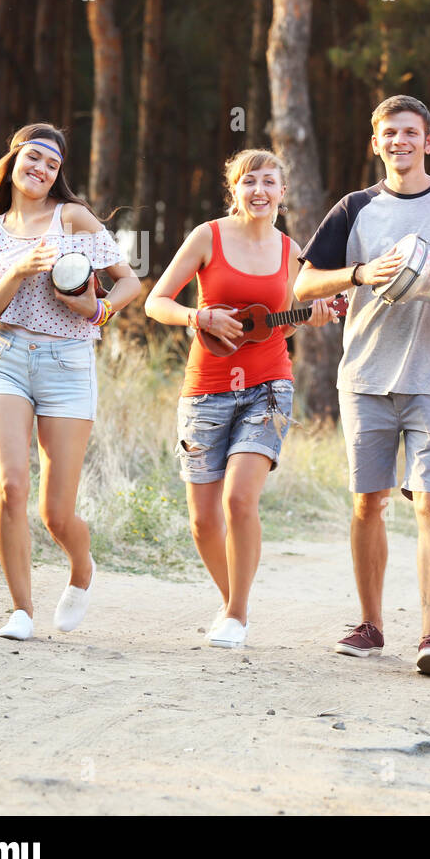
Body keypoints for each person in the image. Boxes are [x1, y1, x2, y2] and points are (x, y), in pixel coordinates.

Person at [294, 95, 430, 675]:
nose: (400, 141)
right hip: (366, 376)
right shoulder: (355, 208)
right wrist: (360, 274)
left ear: (429, 141)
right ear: (376, 143)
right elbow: (303, 286)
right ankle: (370, 625)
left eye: (410, 133)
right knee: (368, 502)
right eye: (389, 133)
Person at [145, 149, 337, 649]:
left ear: (282, 192)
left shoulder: (294, 252)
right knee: (203, 519)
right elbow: (156, 301)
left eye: (269, 182)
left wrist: (314, 316)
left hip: (270, 386)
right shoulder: (207, 236)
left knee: (238, 499)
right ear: (234, 190)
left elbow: (295, 314)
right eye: (249, 181)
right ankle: (235, 599)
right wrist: (198, 317)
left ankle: (235, 612)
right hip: (205, 387)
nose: (259, 191)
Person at [0, 122, 142, 641]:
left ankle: (82, 569)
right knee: (10, 485)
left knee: (56, 513)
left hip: (68, 363)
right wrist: (18, 270)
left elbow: (130, 282)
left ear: (58, 175)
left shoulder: (73, 217)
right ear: (13, 160)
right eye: (32, 157)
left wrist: (100, 310)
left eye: (52, 164)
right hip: (7, 358)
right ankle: (21, 609)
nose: (40, 169)